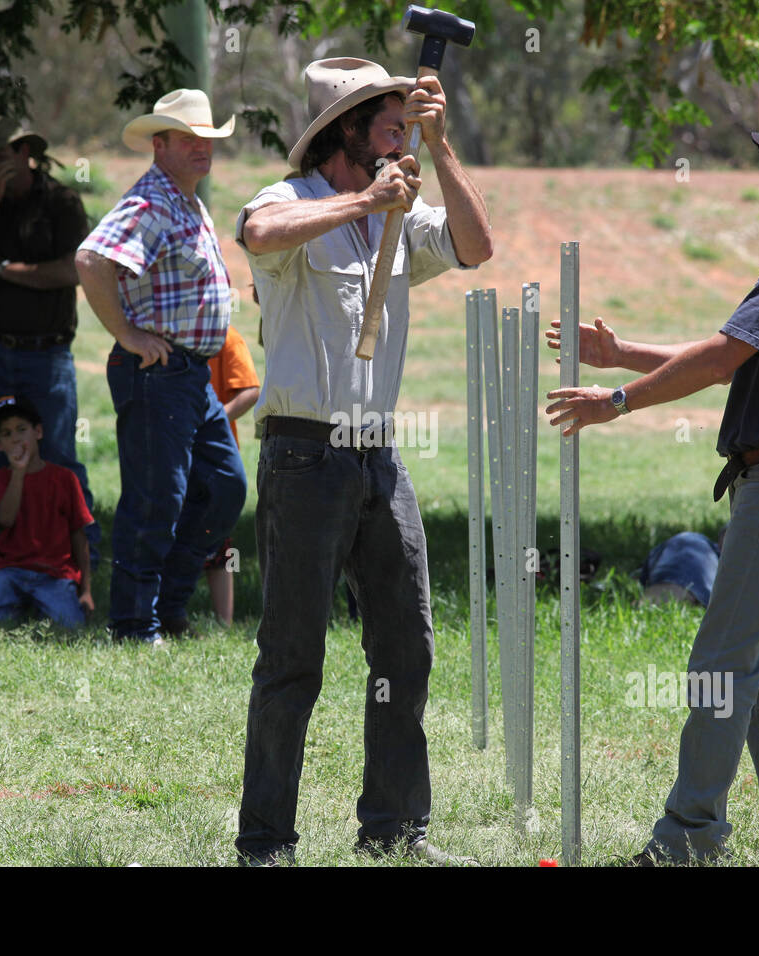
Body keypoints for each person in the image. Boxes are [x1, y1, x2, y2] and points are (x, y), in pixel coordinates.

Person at [546, 113, 759, 863]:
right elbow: (742, 356)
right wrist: (622, 353)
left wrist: (617, 402)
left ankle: (687, 840)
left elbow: (724, 357)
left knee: (720, 673)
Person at [233, 57, 493, 866]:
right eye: (385, 113)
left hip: (379, 457)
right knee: (292, 658)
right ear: (344, 128)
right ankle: (267, 840)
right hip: (304, 455)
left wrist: (443, 150)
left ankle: (394, 828)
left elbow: (476, 246)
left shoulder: (399, 213)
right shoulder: (294, 201)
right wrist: (365, 201)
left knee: (407, 647)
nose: (400, 122)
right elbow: (257, 235)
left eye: (404, 112)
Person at [75, 90, 246, 642]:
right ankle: (133, 624)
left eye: (208, 139)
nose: (203, 148)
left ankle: (167, 609)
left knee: (222, 487)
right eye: (189, 138)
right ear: (160, 144)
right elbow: (90, 259)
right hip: (159, 371)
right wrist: (126, 333)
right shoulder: (152, 201)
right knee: (157, 498)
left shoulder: (185, 198)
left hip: (187, 374)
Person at [0, 119, 100, 562]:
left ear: (25, 153)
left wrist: (3, 271)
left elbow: (73, 271)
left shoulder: (62, 203)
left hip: (46, 351)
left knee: (56, 453)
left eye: (1, 155)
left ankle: (79, 556)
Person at [0, 395, 95, 627]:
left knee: (71, 626)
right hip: (10, 572)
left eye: (22, 429)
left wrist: (86, 591)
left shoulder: (65, 479)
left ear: (38, 432)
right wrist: (18, 473)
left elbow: (79, 535)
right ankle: (22, 608)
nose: (15, 438)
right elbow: (4, 520)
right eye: (7, 434)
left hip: (55, 575)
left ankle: (34, 608)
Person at [201, 326, 260, 626]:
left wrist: (212, 423)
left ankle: (224, 621)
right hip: (175, 451)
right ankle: (165, 612)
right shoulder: (167, 331)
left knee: (219, 534)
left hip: (215, 456)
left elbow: (250, 391)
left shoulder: (227, 337)